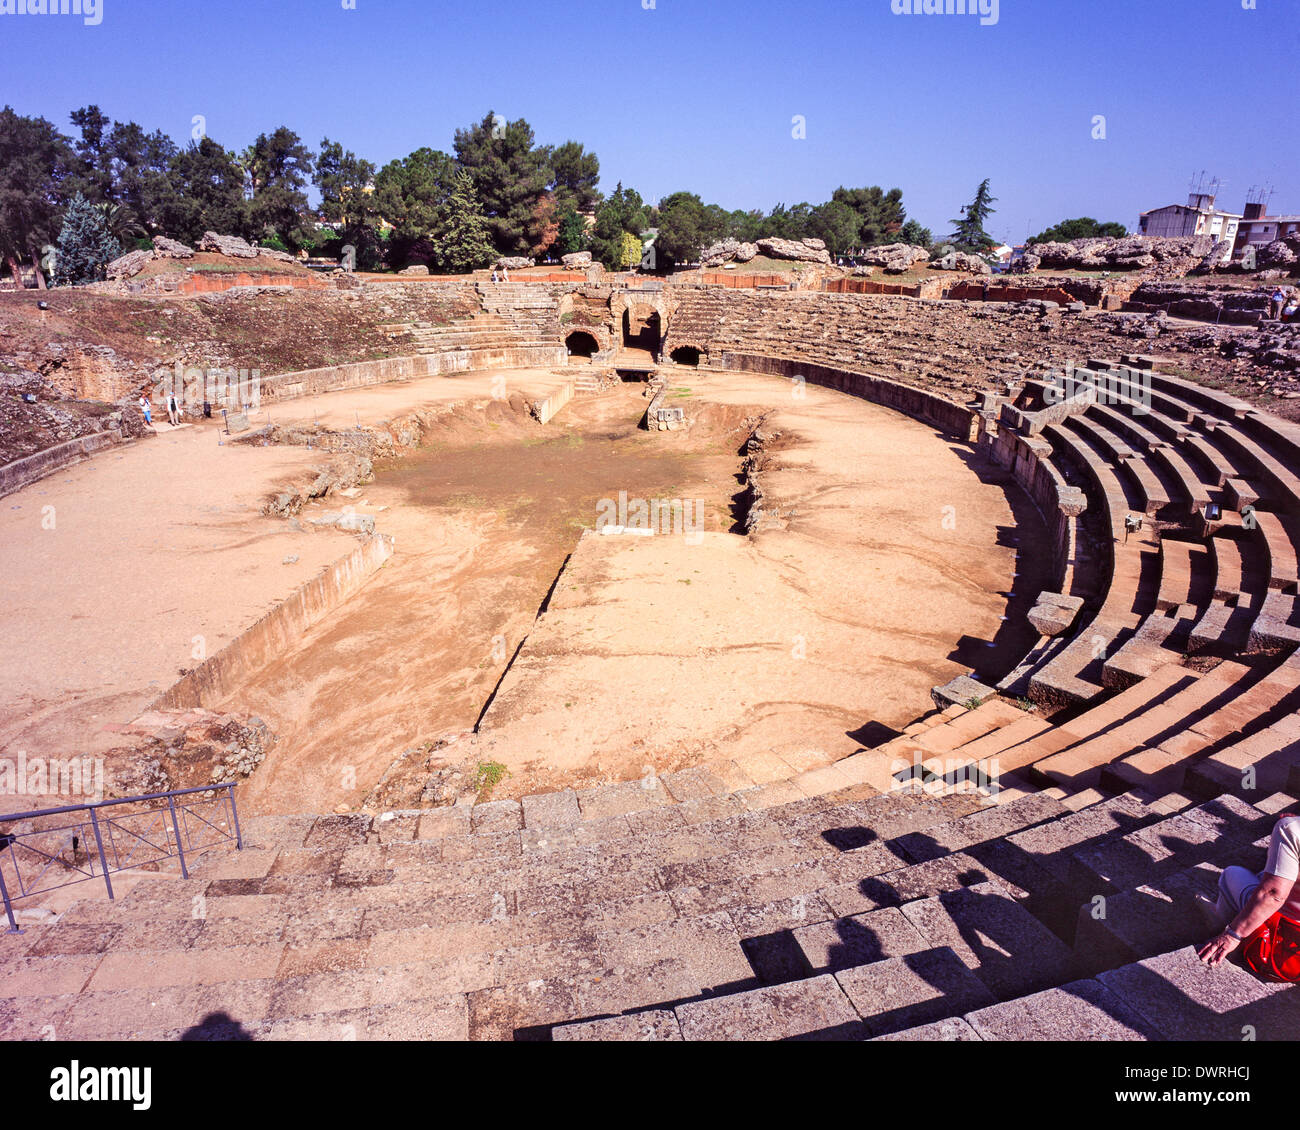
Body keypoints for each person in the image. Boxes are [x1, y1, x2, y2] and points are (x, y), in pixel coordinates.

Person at [1198, 811, 1299, 968]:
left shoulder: (1292, 828)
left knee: (1231, 874)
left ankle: (1220, 920)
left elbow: (1274, 894)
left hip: (1283, 928)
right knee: (1263, 875)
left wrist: (1233, 935)